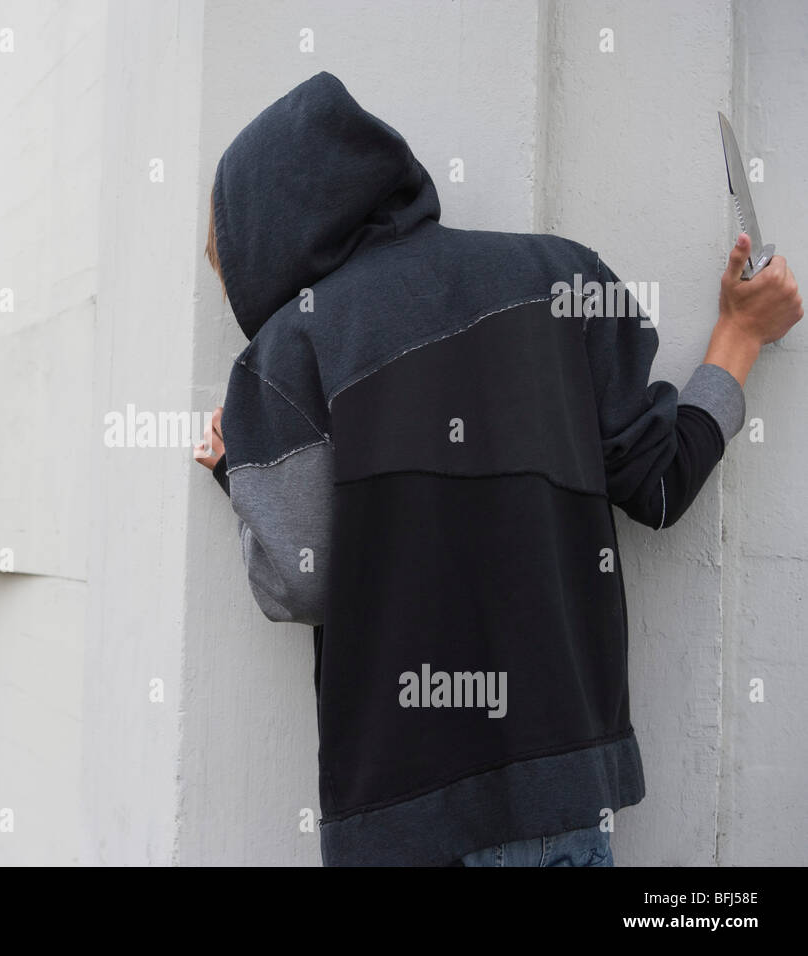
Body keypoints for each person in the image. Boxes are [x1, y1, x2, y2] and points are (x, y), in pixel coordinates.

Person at [196, 71, 802, 866]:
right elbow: (659, 484)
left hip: (404, 820)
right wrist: (741, 337)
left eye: (224, 260)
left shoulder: (285, 355)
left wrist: (239, 473)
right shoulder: (562, 279)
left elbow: (299, 582)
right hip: (563, 799)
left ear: (265, 231)